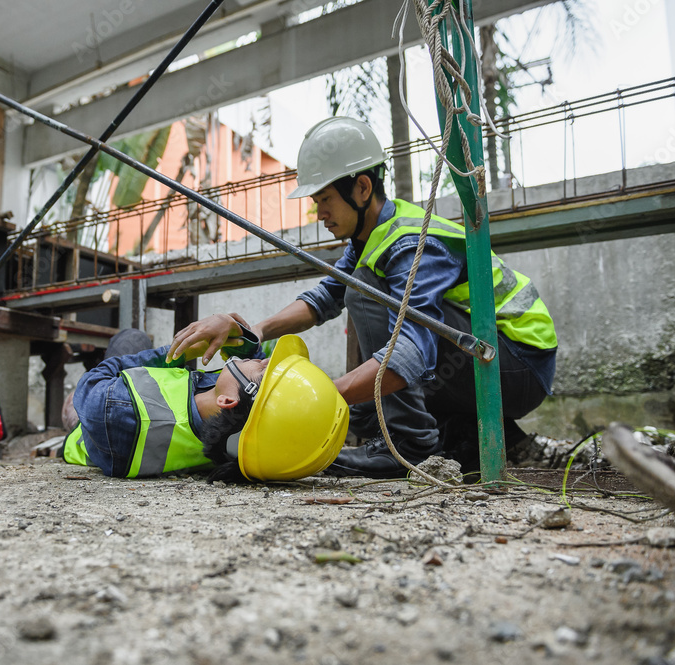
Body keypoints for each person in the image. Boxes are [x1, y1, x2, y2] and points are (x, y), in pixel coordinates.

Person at [168, 117, 558, 478]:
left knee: (367, 295)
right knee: (360, 288)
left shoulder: (409, 242)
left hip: (517, 365)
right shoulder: (370, 238)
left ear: (361, 188)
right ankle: (458, 437)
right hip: (494, 363)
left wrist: (318, 397)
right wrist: (253, 330)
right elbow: (322, 299)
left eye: (324, 199)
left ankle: (405, 446)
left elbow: (411, 350)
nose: (319, 213)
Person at [62, 329, 349, 482]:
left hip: (88, 428)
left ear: (228, 400)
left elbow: (92, 383)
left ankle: (69, 419)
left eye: (264, 369)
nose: (263, 359)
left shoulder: (121, 409)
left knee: (132, 339)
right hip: (123, 407)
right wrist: (237, 332)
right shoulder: (243, 444)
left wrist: (172, 353)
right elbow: (263, 393)